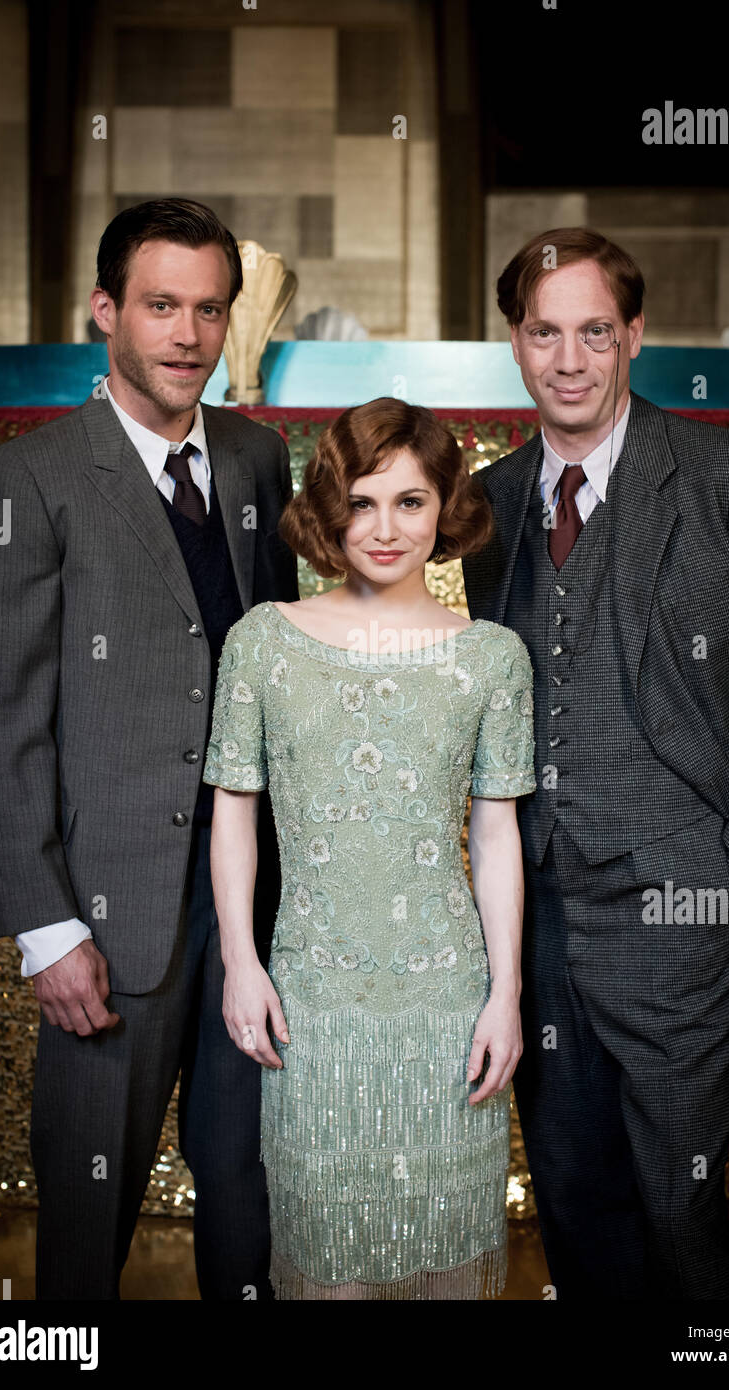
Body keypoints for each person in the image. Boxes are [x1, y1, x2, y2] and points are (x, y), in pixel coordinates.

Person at [461, 227, 729, 1300]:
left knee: (678, 1215)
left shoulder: (726, 473)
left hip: (681, 906)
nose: (571, 358)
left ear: (634, 335)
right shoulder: (490, 502)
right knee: (577, 1210)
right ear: (516, 342)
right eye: (546, 332)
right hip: (535, 921)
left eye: (596, 330)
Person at [0, 198, 298, 1299]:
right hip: (108, 914)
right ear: (106, 311)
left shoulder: (256, 458)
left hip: (255, 903)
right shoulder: (31, 479)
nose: (187, 335)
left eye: (207, 309)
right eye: (160, 306)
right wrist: (46, 930)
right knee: (89, 1202)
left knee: (249, 1181)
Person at [202, 397, 537, 1299]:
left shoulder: (492, 657)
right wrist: (241, 963)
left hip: (447, 1008)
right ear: (326, 511)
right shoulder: (263, 643)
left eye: (410, 502)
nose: (384, 528)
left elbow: (495, 829)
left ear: (447, 510)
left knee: (444, 1262)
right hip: (311, 1001)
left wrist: (505, 995)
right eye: (360, 502)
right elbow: (233, 809)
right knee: (325, 1267)